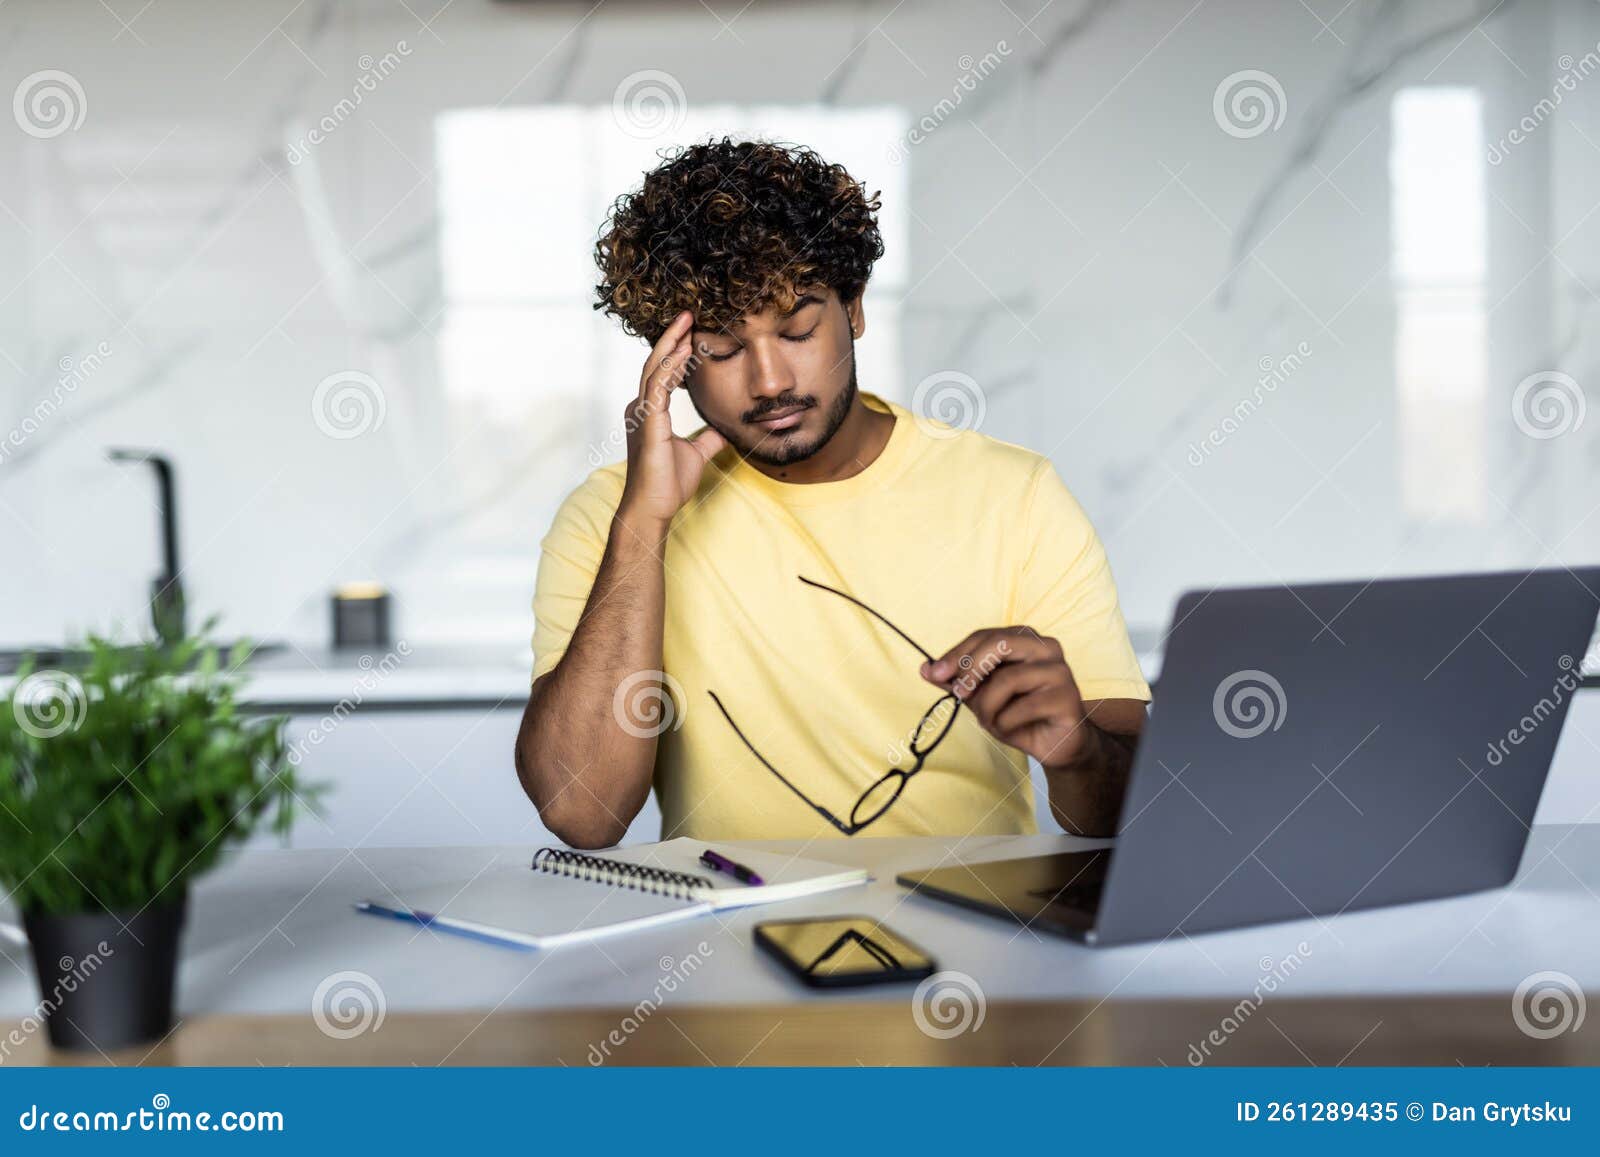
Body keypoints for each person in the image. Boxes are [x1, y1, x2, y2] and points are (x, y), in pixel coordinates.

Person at [515, 137, 1149, 847]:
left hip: (974, 941)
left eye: (797, 329)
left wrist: (1079, 753)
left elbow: (1135, 815)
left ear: (853, 309)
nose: (770, 381)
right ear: (670, 363)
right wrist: (644, 523)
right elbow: (581, 812)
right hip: (715, 943)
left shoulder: (1016, 494)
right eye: (720, 349)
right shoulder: (614, 515)